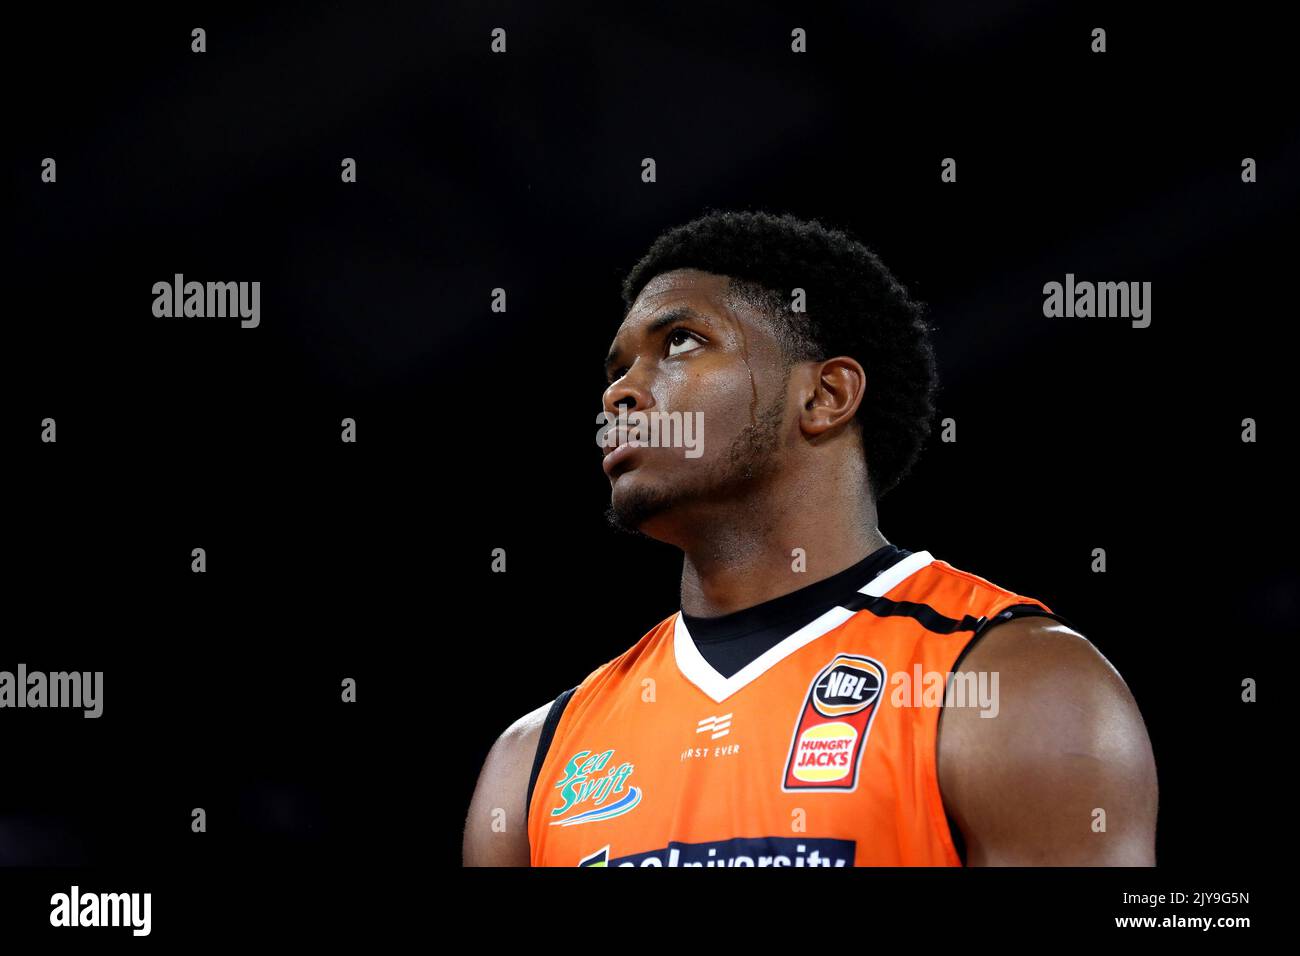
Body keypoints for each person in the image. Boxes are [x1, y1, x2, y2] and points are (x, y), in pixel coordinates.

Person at [463, 209, 1157, 867]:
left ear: (825, 397)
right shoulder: (533, 760)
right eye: (617, 370)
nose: (621, 393)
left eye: (680, 342)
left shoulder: (1006, 683)